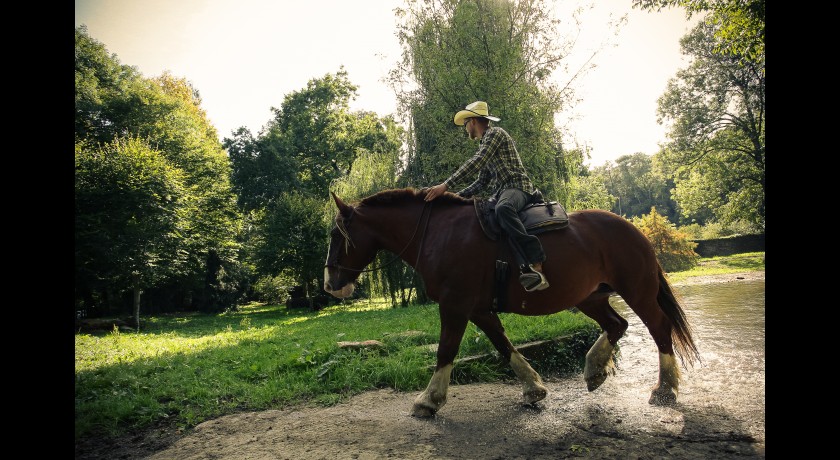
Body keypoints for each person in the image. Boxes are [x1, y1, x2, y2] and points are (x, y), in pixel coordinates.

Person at [424, 101, 549, 292]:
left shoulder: (495, 134)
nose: (465, 127)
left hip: (518, 187)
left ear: (473, 121)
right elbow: (481, 182)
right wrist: (453, 197)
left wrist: (445, 185)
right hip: (503, 191)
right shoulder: (486, 143)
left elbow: (478, 161)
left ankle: (535, 258)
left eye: (465, 123)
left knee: (503, 208)